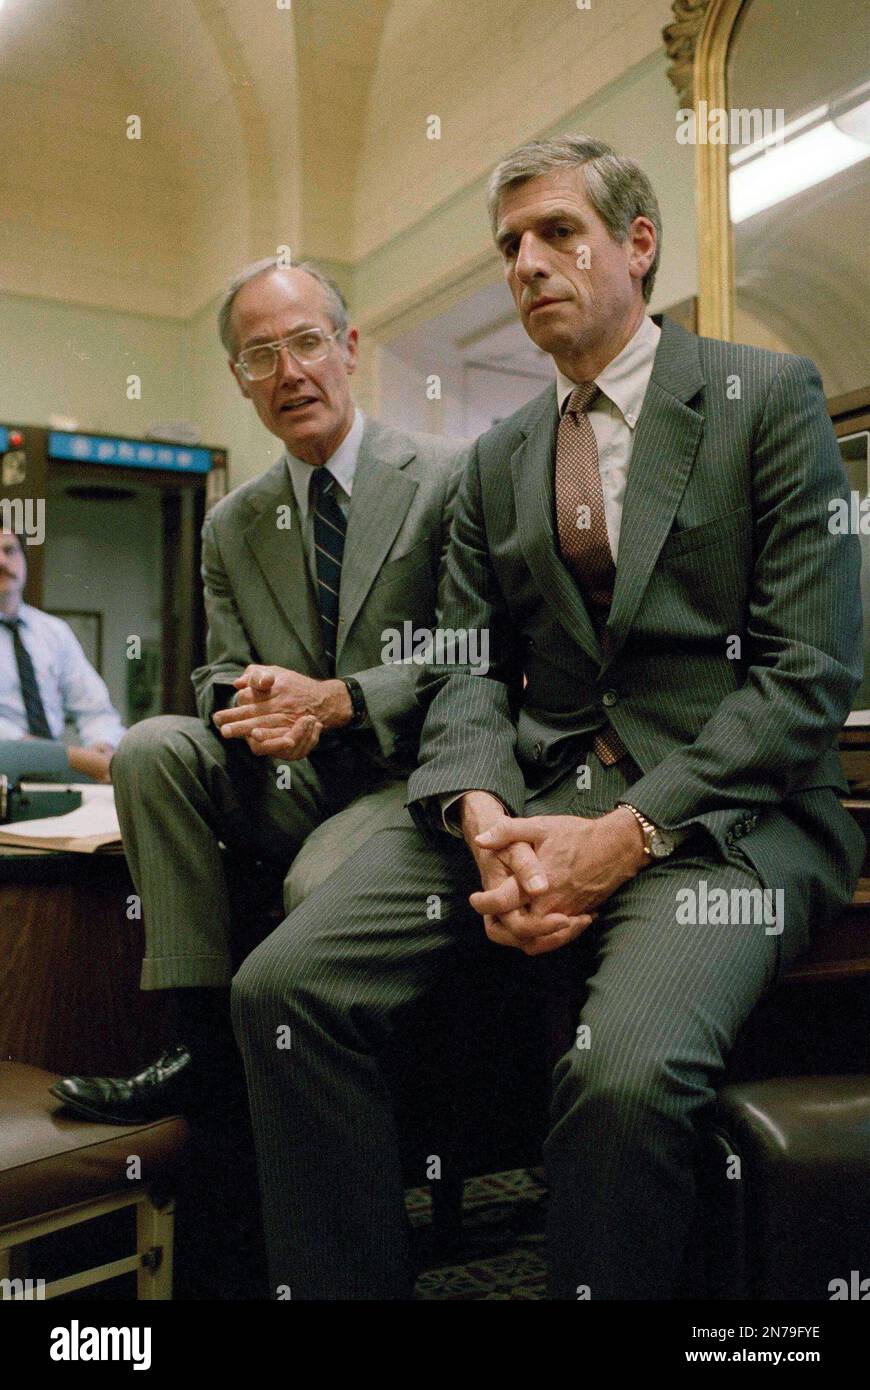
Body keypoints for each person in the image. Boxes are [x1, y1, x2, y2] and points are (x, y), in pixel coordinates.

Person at [231, 136, 865, 1300]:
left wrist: (626, 834)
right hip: (527, 805)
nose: (527, 264)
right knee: (283, 991)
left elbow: (807, 674)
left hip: (725, 819)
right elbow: (470, 663)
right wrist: (478, 809)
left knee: (618, 1083)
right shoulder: (497, 459)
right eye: (510, 246)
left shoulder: (762, 402)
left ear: (637, 243)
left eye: (558, 233)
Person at [51, 257, 468, 1125]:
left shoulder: (448, 476)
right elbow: (215, 675)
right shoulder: (231, 524)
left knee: (314, 888)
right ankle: (196, 1042)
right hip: (286, 777)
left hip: (409, 778)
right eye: (260, 356)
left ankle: (364, 1099)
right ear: (239, 382)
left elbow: (479, 655)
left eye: (307, 342)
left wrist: (340, 698)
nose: (289, 372)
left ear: (348, 348)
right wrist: (250, 700)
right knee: (152, 745)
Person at [0, 528, 124, 784]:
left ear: (24, 559)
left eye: (9, 550)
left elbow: (94, 708)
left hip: (59, 777)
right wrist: (77, 759)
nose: (2, 561)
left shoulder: (54, 632)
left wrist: (102, 745)